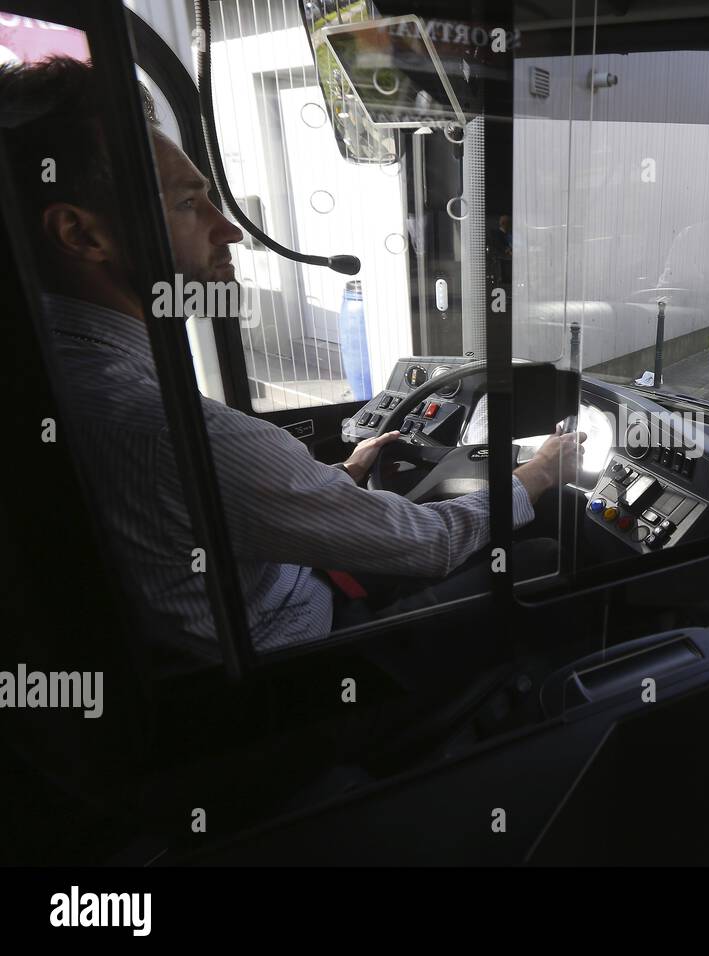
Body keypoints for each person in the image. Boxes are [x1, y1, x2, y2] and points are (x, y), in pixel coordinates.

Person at [0, 57, 583, 670]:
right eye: (188, 203)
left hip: (249, 625)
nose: (228, 230)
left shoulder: (56, 373)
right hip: (302, 675)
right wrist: (539, 472)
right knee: (544, 554)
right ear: (81, 234)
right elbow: (430, 543)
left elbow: (222, 511)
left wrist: (340, 478)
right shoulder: (174, 429)